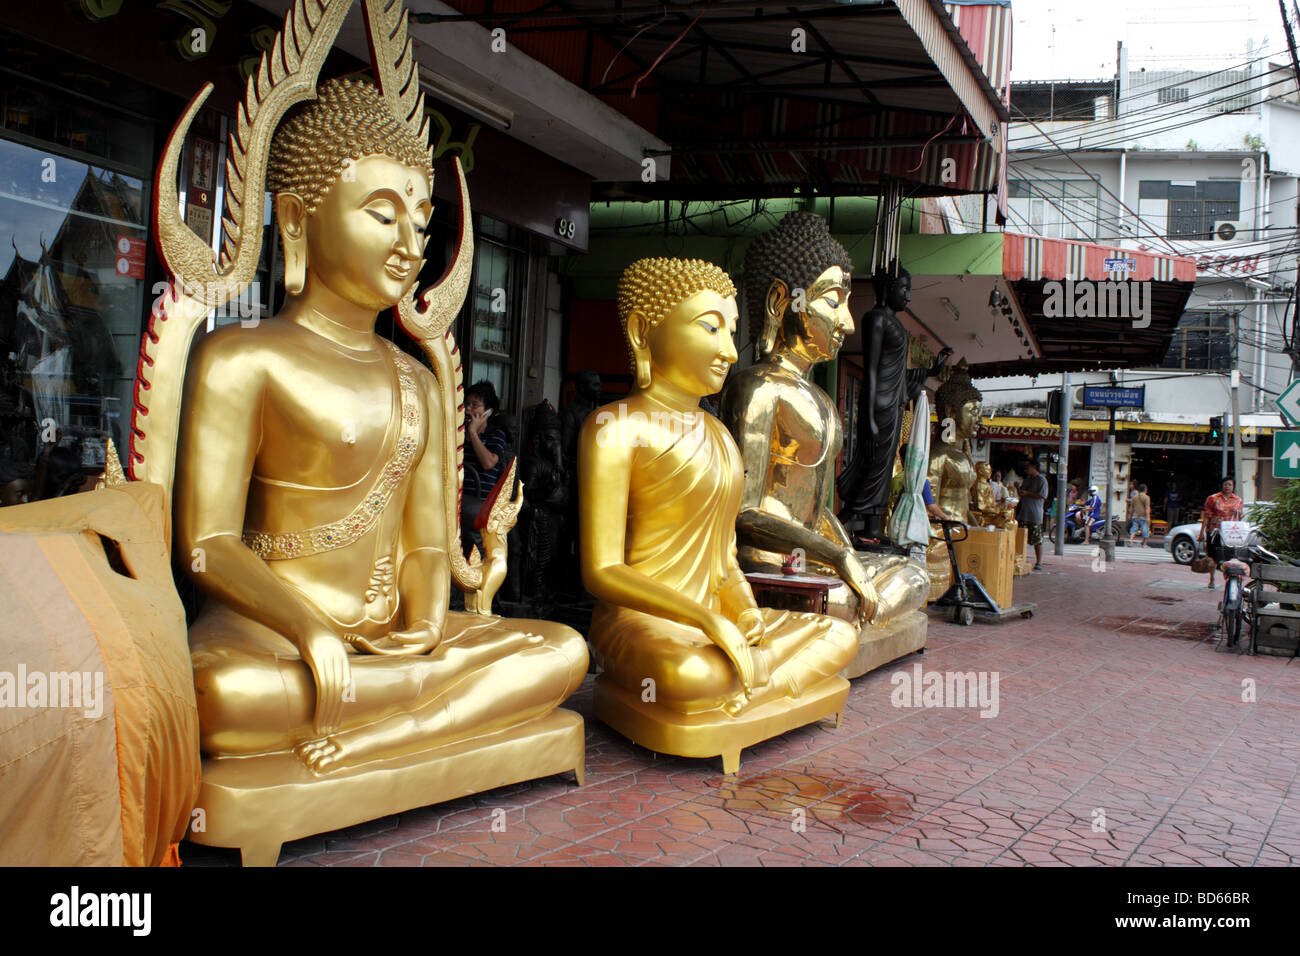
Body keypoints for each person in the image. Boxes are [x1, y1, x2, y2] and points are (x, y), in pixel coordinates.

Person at [461, 380, 511, 556]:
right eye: (466, 404)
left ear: (488, 411)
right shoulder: (458, 433)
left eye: (474, 405)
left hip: (481, 502)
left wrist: (474, 434)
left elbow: (489, 462)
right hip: (458, 497)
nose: (468, 409)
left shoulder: (496, 434)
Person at [1200, 477, 1244, 589]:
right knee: (1212, 557)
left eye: (1230, 484)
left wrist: (1238, 512)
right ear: (1222, 486)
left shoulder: (1238, 500)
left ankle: (1230, 581)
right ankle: (1212, 579)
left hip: (1230, 533)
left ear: (1233, 486)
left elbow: (1241, 517)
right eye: (1226, 484)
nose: (1228, 486)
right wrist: (1202, 533)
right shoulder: (1213, 498)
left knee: (1230, 557)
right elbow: (1206, 516)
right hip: (1215, 531)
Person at [1016, 459, 1048, 570]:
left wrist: (1028, 493)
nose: (1026, 469)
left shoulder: (1041, 480)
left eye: (1028, 467)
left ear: (1034, 467)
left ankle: (1039, 562)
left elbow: (1042, 495)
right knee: (1021, 537)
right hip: (1023, 512)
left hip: (1035, 514)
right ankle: (1020, 559)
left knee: (1037, 539)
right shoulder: (1028, 479)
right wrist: (1017, 488)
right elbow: (1022, 493)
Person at [1128, 482, 1151, 547]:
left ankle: (1131, 541)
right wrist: (1148, 517)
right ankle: (1144, 544)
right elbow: (1147, 508)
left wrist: (1130, 515)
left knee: (1134, 529)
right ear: (1145, 489)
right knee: (1145, 530)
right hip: (1143, 516)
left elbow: (1131, 507)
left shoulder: (1134, 497)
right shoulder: (1146, 497)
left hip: (1135, 516)